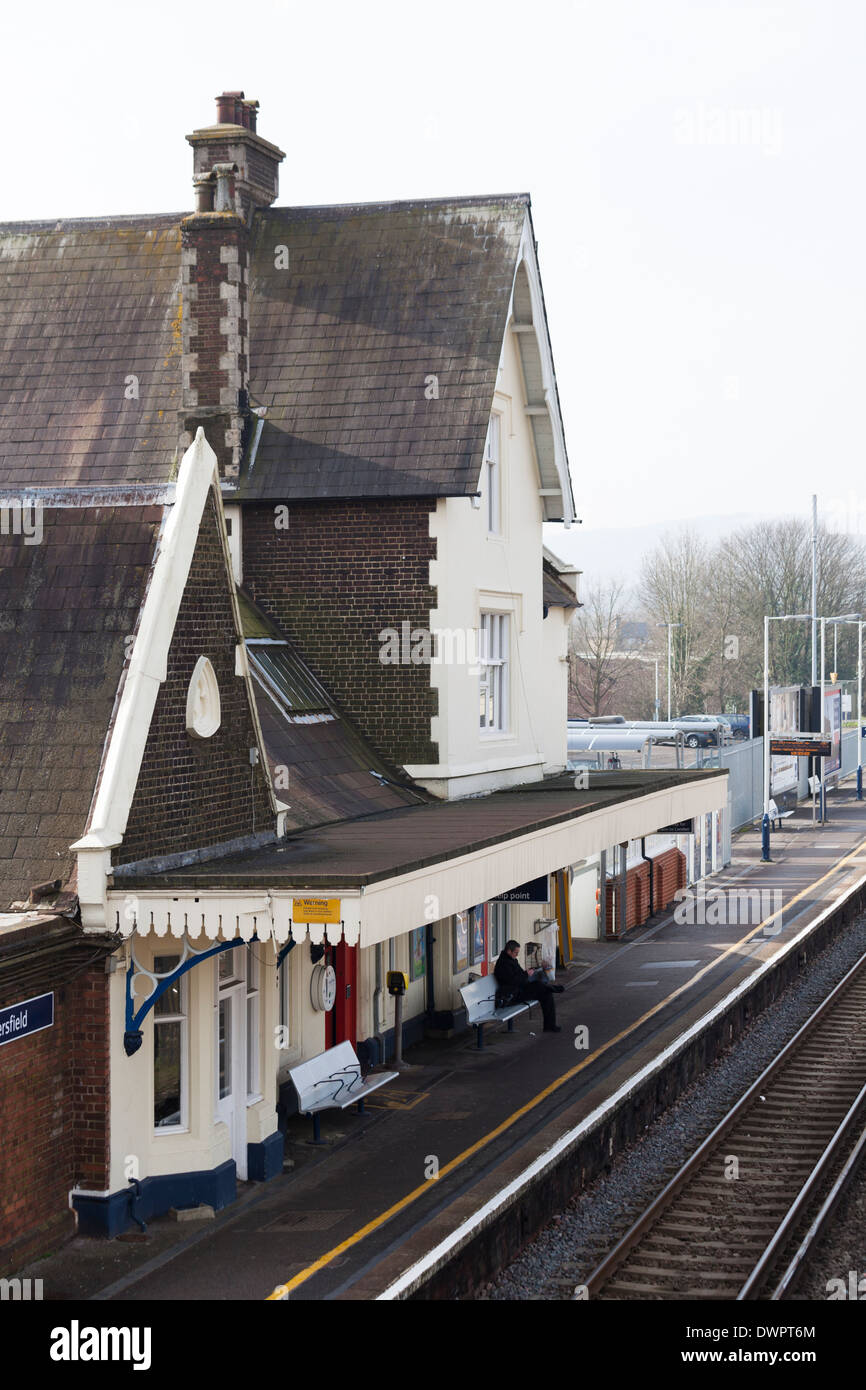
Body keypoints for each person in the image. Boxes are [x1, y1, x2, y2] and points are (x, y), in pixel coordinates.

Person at [494, 940, 564, 1033]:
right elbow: (513, 981)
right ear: (509, 951)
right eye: (516, 952)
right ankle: (553, 988)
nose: (517, 955)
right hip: (511, 995)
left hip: (519, 989)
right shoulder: (503, 964)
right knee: (540, 987)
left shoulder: (511, 960)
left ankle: (550, 1026)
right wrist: (526, 974)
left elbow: (519, 976)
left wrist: (527, 973)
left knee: (546, 993)